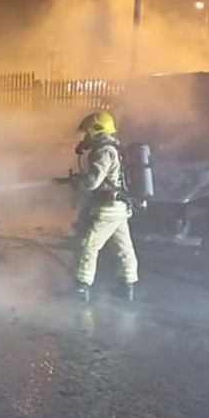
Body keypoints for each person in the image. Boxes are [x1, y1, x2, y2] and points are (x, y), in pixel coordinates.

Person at [68, 111, 139, 303]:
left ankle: (82, 287)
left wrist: (77, 181)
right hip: (120, 207)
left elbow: (93, 182)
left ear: (97, 132)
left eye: (87, 133)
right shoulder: (115, 148)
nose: (85, 137)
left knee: (88, 245)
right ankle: (127, 286)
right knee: (124, 248)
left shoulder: (104, 152)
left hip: (107, 209)